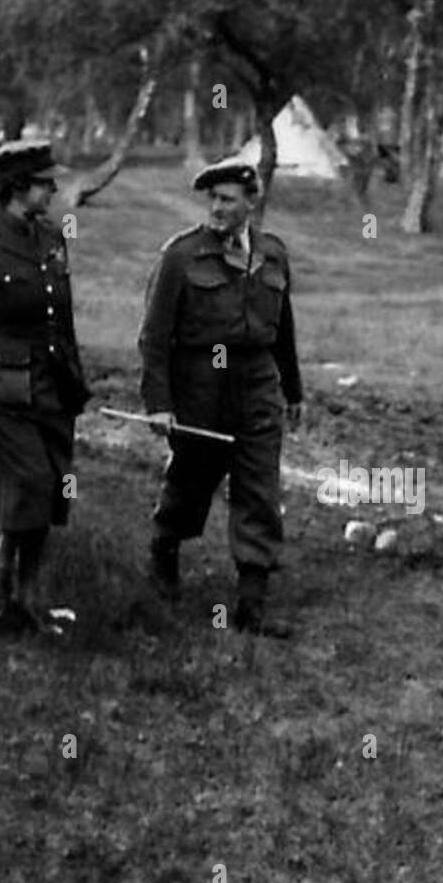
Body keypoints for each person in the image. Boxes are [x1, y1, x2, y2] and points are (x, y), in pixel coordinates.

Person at [138, 161, 303, 636]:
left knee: (259, 490)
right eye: (212, 199)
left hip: (256, 389)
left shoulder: (273, 255)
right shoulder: (181, 256)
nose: (216, 208)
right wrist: (159, 402)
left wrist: (292, 390)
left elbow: (283, 330)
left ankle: (252, 605)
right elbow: (154, 336)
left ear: (251, 203)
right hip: (200, 388)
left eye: (227, 200)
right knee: (190, 482)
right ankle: (163, 558)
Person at [0, 139, 91, 634]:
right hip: (4, 387)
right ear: (16, 188)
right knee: (30, 484)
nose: (53, 189)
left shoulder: (51, 237)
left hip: (54, 385)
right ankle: (19, 591)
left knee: (52, 493)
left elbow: (62, 318)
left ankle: (13, 575)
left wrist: (76, 380)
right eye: (44, 182)